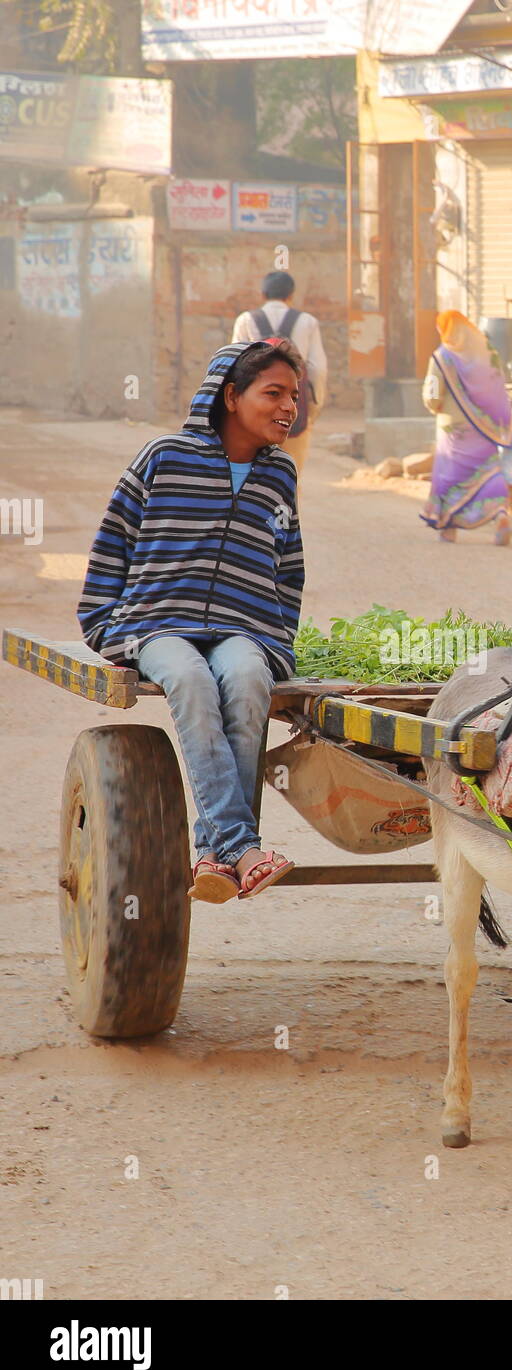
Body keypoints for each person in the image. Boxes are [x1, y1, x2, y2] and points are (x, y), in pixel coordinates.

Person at [78, 339, 305, 904]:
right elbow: (115, 538)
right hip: (157, 622)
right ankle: (242, 846)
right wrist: (105, 623)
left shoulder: (280, 474)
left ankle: (214, 853)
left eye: (294, 396)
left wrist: (279, 633)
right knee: (192, 680)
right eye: (272, 392)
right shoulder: (164, 457)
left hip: (245, 626)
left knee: (250, 680)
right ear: (230, 395)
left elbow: (288, 566)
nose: (288, 406)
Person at [420, 310, 512, 545]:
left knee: (450, 478)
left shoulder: (443, 357)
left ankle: (448, 527)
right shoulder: (488, 354)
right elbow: (499, 389)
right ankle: (500, 513)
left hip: (454, 430)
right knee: (489, 471)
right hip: (486, 428)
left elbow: (432, 395)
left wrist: (435, 407)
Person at [231, 270, 327, 471]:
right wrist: (312, 409)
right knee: (290, 478)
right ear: (291, 296)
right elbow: (318, 370)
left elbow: (234, 366)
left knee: (250, 478)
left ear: (263, 295)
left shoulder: (246, 320)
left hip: (253, 414)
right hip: (293, 411)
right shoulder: (308, 322)